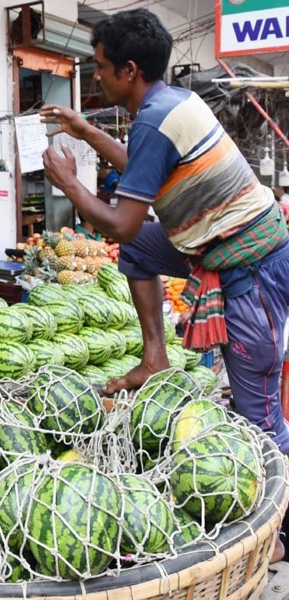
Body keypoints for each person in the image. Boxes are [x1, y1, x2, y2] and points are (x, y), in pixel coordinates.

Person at [40, 9, 289, 458]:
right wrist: (89, 131)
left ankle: (280, 523)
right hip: (222, 248)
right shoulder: (172, 101)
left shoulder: (153, 120)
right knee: (138, 252)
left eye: (100, 66)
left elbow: (121, 224)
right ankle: (155, 358)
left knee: (262, 421)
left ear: (129, 71)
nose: (96, 77)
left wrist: (70, 185)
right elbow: (142, 178)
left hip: (250, 268)